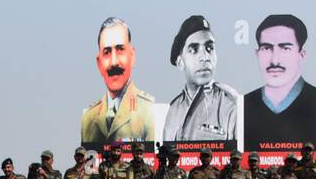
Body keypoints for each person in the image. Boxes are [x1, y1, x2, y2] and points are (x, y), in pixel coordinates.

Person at [243, 14, 316, 152]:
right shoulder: (244, 105)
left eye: (285, 48)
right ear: (257, 54)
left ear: (301, 54)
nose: (275, 61)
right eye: (266, 48)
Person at [161, 15, 239, 143]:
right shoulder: (174, 109)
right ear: (180, 61)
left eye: (210, 48)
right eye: (194, 50)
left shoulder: (229, 104)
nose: (205, 57)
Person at [80, 18, 156, 147]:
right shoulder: (89, 118)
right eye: (107, 52)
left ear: (132, 56)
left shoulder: (148, 111)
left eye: (120, 49)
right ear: (99, 63)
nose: (114, 62)